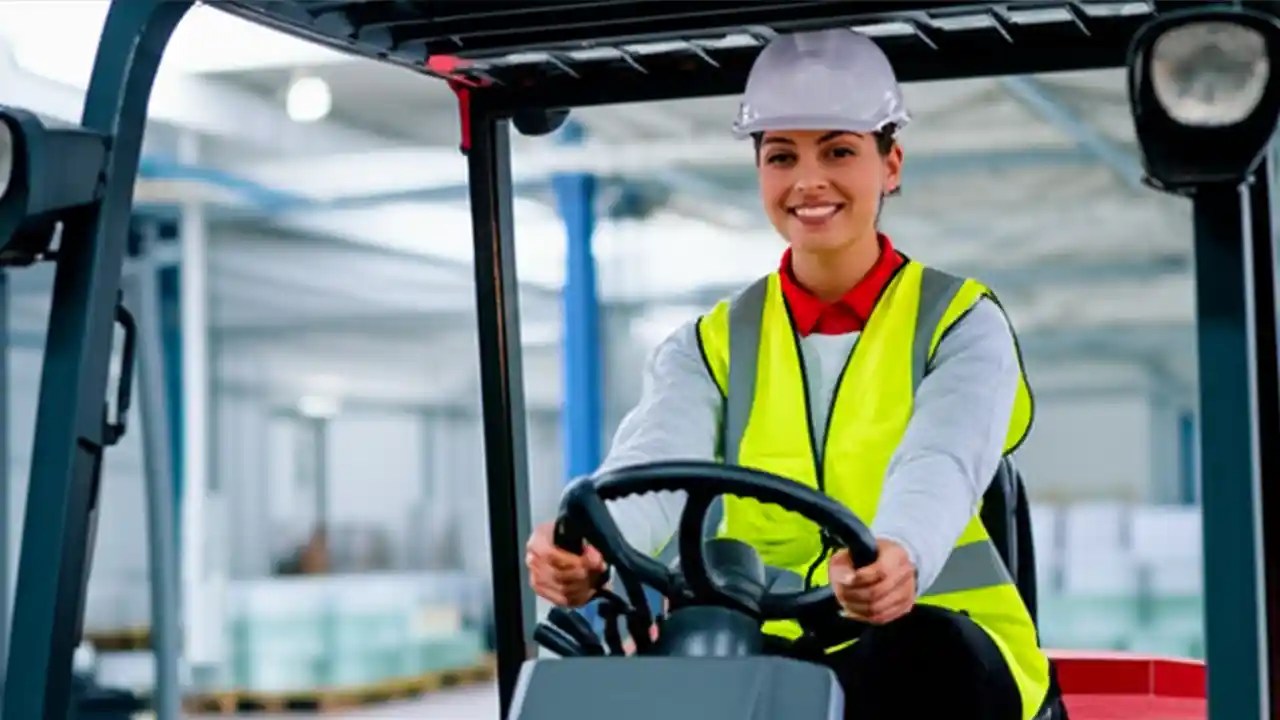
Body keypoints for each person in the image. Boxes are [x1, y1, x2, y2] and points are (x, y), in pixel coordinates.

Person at [525, 28, 1060, 720]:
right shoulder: (711, 343)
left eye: (838, 150)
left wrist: (900, 553)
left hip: (937, 639)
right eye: (782, 157)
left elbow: (944, 458)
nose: (808, 181)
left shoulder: (959, 322)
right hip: (769, 648)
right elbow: (654, 457)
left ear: (890, 164)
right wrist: (590, 544)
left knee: (913, 656)